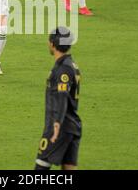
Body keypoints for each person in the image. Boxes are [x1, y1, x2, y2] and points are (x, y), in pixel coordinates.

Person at [34, 27, 81, 170]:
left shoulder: (63, 70)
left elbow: (62, 97)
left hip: (59, 127)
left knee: (40, 169)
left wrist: (56, 125)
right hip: (73, 126)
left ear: (53, 44)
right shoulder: (72, 65)